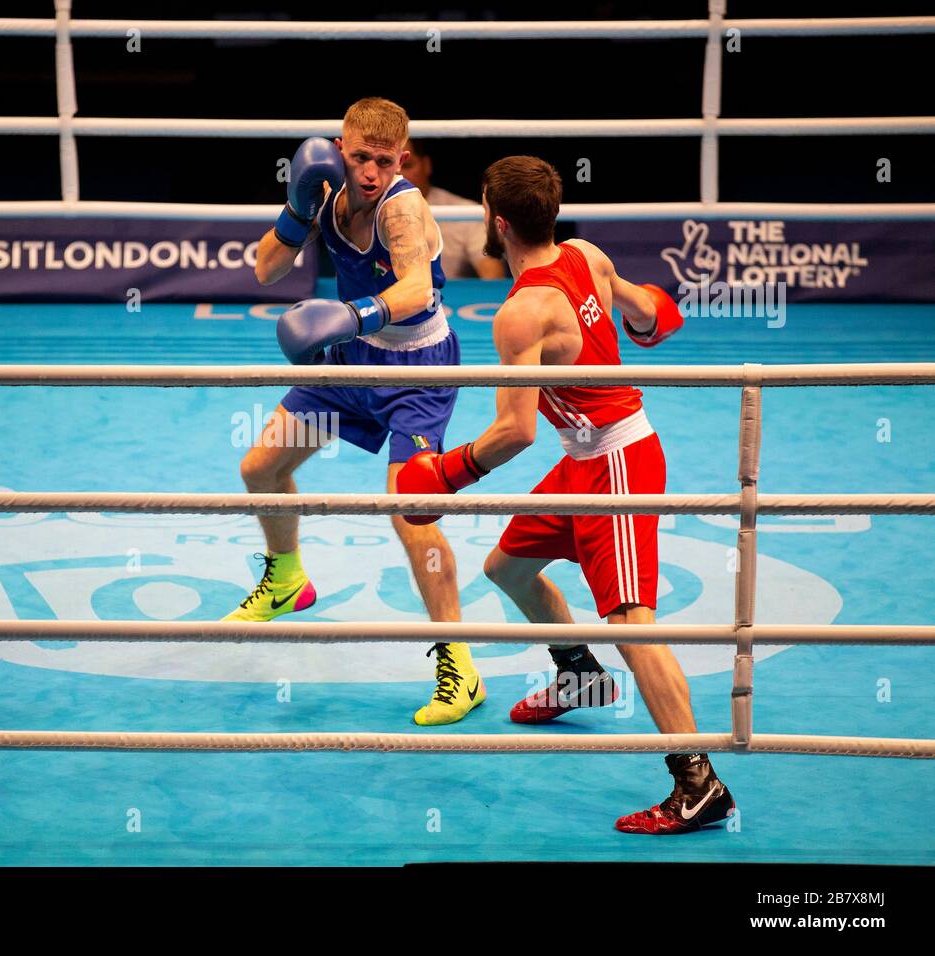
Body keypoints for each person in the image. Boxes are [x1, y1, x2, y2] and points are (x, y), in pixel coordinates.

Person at [398, 155, 735, 834]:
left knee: (632, 623)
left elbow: (515, 431)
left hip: (616, 464)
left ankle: (698, 782)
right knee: (508, 568)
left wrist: (445, 474)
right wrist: (634, 324)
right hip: (588, 456)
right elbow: (652, 315)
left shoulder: (522, 313)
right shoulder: (585, 252)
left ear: (495, 223)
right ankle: (579, 674)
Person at [225, 97, 483, 726]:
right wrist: (294, 209)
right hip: (350, 364)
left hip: (415, 374)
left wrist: (351, 313)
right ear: (341, 148)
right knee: (260, 468)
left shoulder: (404, 206)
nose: (369, 171)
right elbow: (264, 270)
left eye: (383, 160)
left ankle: (461, 667)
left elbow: (418, 290)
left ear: (403, 160)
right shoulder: (325, 190)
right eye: (360, 157)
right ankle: (287, 578)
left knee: (411, 513)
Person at [400, 139, 507, 280]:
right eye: (388, 165)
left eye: (407, 165)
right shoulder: (363, 214)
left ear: (426, 165)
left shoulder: (464, 213)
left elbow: (493, 278)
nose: (398, 176)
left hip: (447, 300)